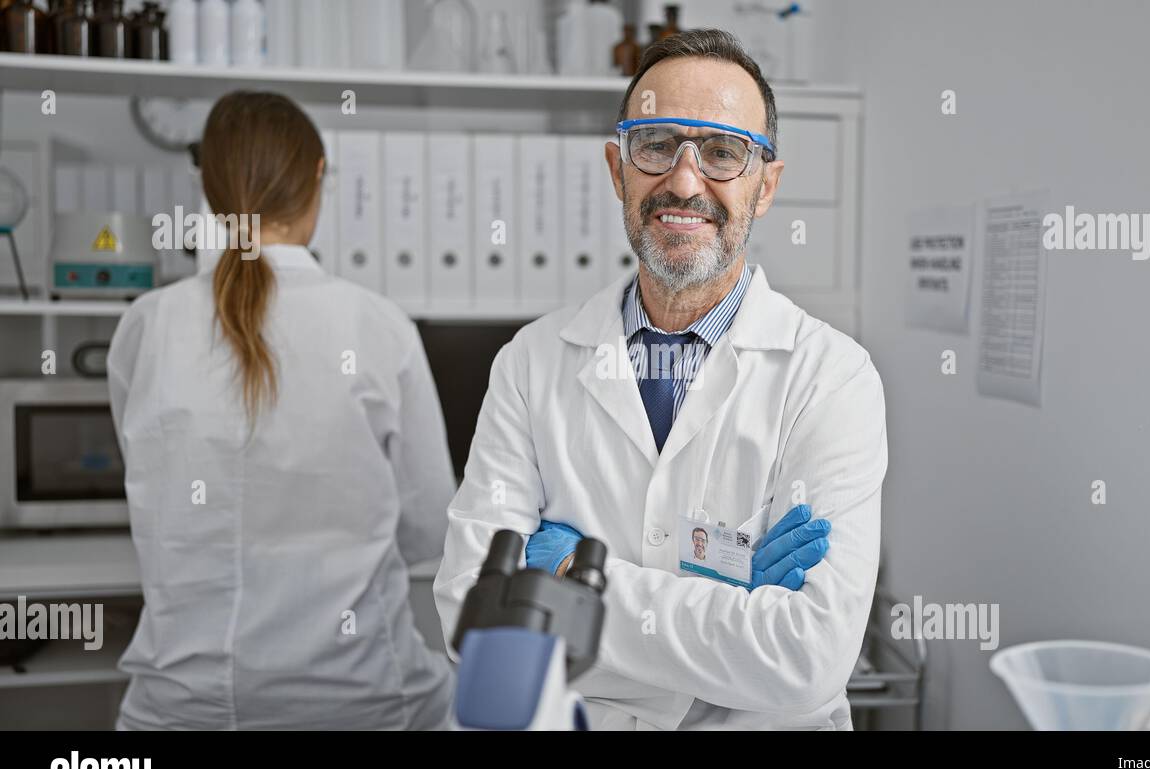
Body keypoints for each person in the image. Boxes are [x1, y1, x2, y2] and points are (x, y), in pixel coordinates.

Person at [434, 30, 888, 730]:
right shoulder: (529, 363)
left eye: (722, 151)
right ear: (618, 169)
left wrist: (569, 585)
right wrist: (734, 594)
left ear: (765, 185)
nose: (683, 180)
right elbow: (471, 615)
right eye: (656, 144)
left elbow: (808, 657)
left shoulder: (833, 377)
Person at [108, 91, 457, 730]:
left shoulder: (144, 327)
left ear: (206, 190)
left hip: (180, 710)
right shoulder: (379, 327)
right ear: (317, 177)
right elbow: (431, 530)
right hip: (363, 701)